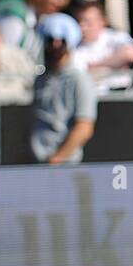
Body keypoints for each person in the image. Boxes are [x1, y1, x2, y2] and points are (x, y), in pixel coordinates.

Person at [31, 12, 96, 165]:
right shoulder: (40, 79)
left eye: (61, 41)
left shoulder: (80, 80)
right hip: (37, 163)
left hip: (64, 166)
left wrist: (57, 159)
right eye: (50, 40)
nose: (55, 46)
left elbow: (84, 127)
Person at [72, 1, 133, 92]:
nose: (83, 27)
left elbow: (131, 54)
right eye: (79, 21)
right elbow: (79, 75)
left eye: (88, 22)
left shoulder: (116, 37)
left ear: (103, 21)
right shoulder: (74, 46)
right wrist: (115, 64)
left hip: (120, 94)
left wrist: (95, 66)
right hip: (92, 97)